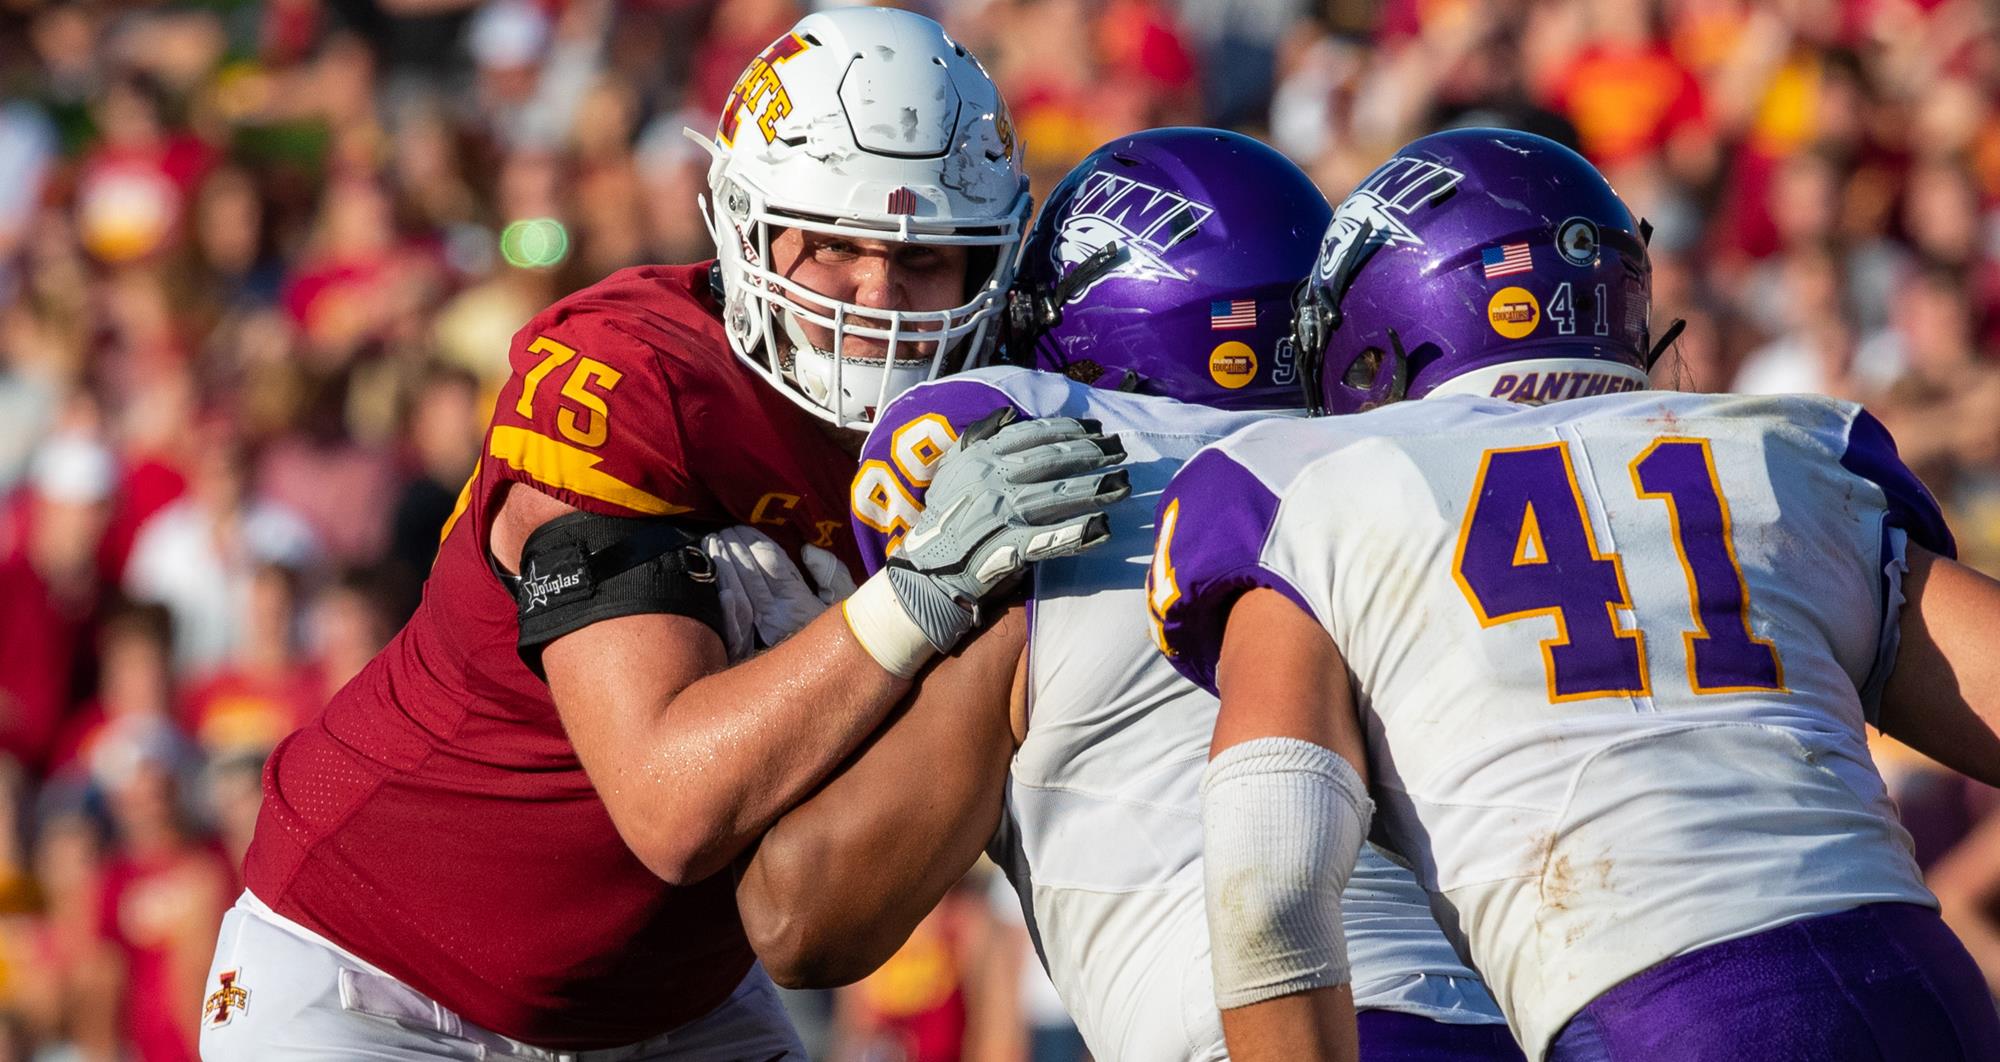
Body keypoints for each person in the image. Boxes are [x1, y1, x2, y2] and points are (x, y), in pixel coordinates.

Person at [197, 8, 1126, 1059]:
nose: (877, 298)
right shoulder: (635, 383)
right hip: (375, 976)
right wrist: (920, 591)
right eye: (832, 248)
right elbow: (673, 808)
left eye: (924, 258)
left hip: (668, 1005)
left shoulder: (989, 405)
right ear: (745, 228)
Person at [1146, 128, 2000, 1061]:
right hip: (1924, 985)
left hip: (1657, 1014)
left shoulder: (1312, 485)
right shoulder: (1777, 449)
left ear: (1377, 332)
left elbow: (1269, 876)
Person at [733, 128, 1521, 1061]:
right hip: (1509, 1021)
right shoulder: (1406, 489)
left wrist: (895, 624)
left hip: (1265, 1031)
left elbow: (801, 921)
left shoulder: (1056, 518)